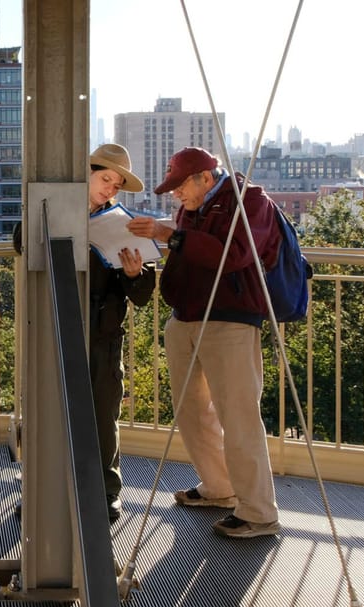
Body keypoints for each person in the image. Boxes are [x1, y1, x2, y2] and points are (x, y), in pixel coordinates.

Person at [128, 147, 282, 539]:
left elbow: (235, 255)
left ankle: (259, 512)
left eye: (180, 186)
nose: (176, 194)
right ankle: (219, 487)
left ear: (205, 178)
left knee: (238, 416)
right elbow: (191, 249)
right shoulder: (193, 207)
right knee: (191, 410)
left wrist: (170, 235)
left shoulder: (250, 201)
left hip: (231, 320)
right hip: (187, 317)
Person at [84, 144, 155, 523]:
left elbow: (142, 294)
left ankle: (107, 491)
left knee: (102, 415)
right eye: (105, 179)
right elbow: (20, 242)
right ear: (86, 174)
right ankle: (42, 488)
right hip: (57, 329)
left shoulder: (126, 225)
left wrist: (133, 274)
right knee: (50, 413)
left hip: (104, 335)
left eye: (116, 185)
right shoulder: (53, 210)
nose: (110, 189)